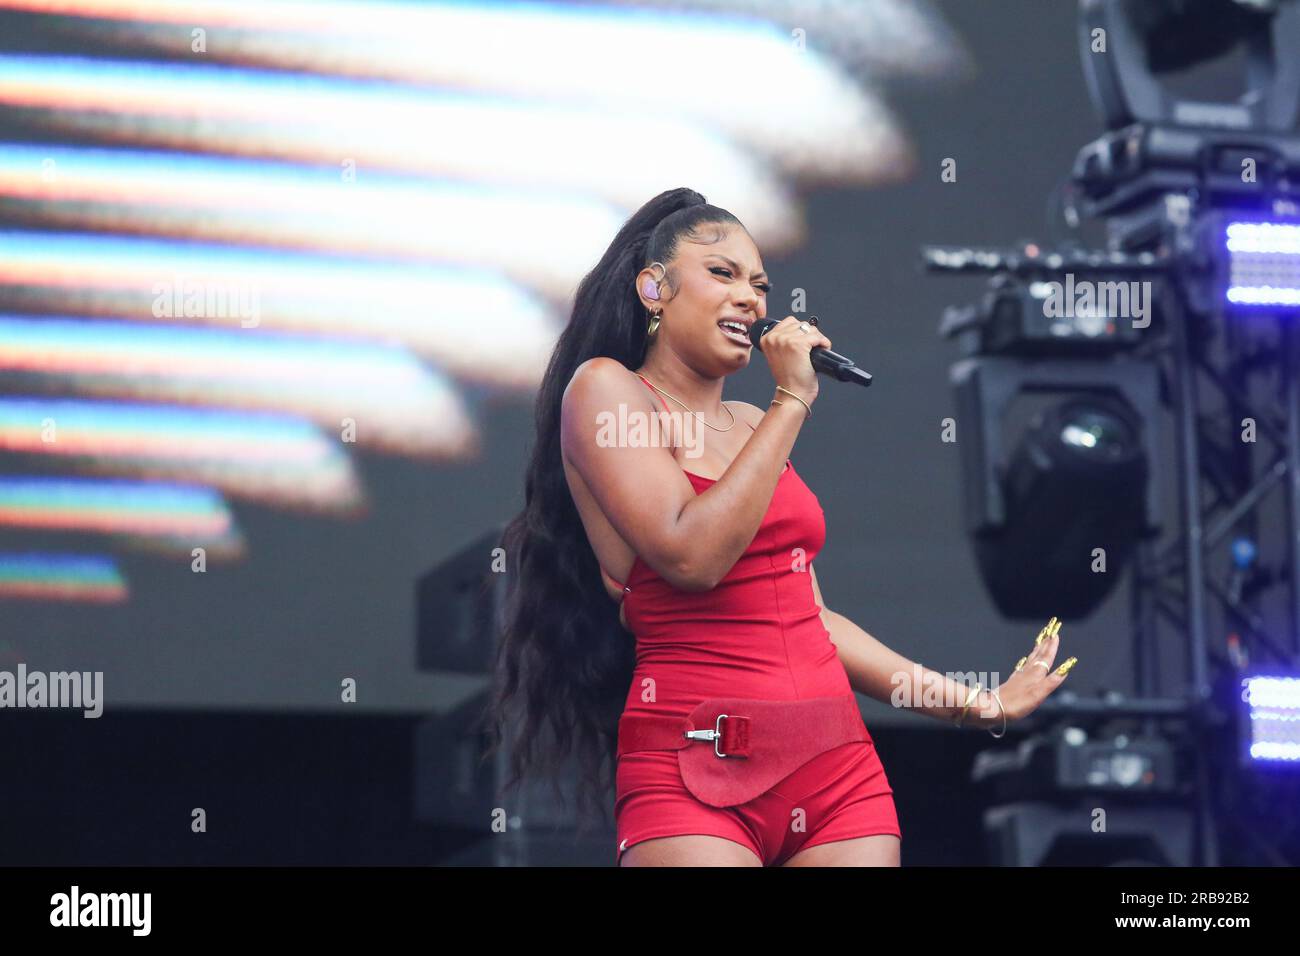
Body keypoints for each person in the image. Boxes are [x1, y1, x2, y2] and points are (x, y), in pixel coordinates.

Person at [488, 187, 1077, 866]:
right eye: (724, 274)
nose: (752, 299)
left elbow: (813, 618)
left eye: (761, 284)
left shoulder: (750, 425)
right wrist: (792, 399)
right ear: (654, 288)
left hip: (835, 767)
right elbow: (690, 555)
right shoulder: (607, 391)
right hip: (694, 762)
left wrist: (979, 705)